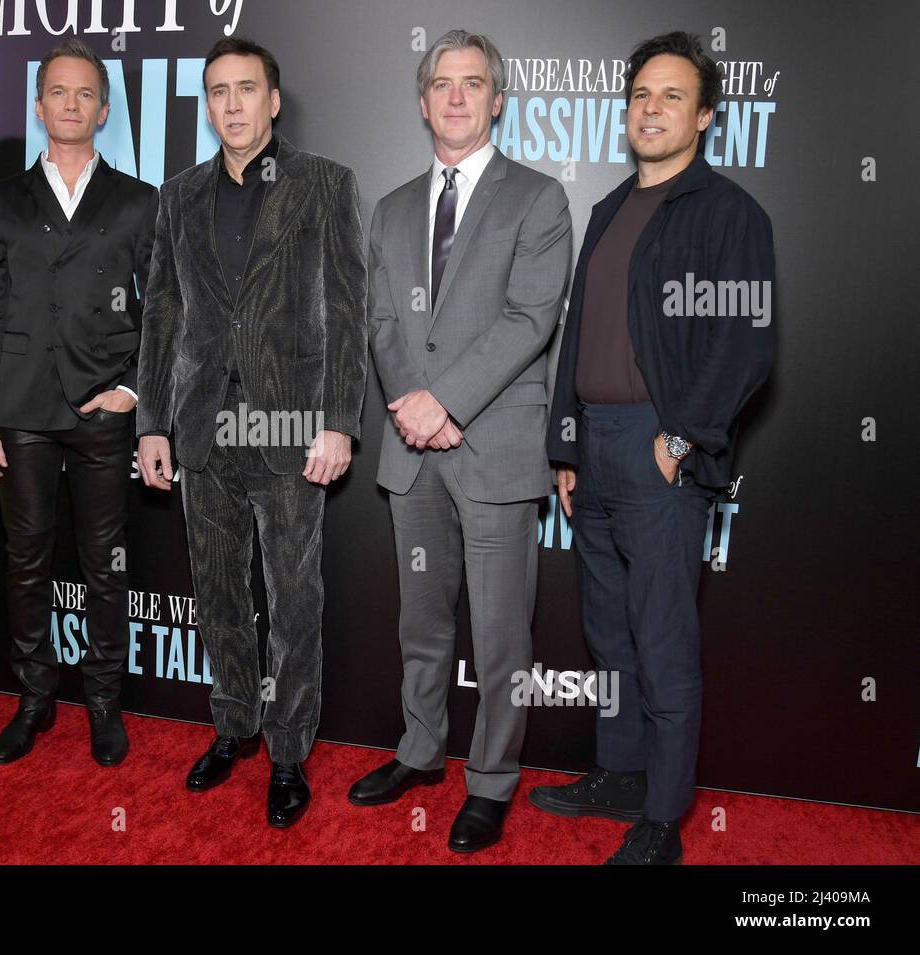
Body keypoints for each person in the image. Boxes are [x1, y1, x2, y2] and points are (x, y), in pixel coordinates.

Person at [531, 31, 776, 864]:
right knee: (609, 635)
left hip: (657, 451)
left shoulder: (729, 213)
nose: (651, 109)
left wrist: (679, 439)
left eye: (672, 96)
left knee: (662, 638)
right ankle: (620, 773)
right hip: (593, 450)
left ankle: (664, 817)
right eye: (641, 95)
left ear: (704, 115)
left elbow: (744, 344)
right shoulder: (606, 209)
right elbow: (578, 338)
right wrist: (565, 439)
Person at [348, 30, 572, 853]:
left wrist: (444, 402)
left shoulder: (538, 199)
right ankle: (419, 750)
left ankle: (491, 781)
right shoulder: (394, 206)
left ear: (498, 98)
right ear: (421, 100)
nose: (455, 97)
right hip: (413, 449)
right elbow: (379, 321)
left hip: (495, 448)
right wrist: (414, 408)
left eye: (472, 83)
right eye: (441, 83)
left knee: (503, 630)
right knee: (422, 621)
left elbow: (530, 319)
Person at [136, 37, 367, 828]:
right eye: (217, 92)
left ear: (274, 99)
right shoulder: (179, 196)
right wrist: (153, 423)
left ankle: (290, 748)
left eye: (245, 89)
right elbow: (162, 313)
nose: (231, 105)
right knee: (219, 590)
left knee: (295, 596)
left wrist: (340, 421)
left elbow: (346, 309)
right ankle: (233, 721)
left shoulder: (323, 184)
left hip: (290, 426)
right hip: (203, 426)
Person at [0, 40, 158, 768]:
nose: (71, 105)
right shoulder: (3, 200)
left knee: (105, 564)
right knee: (25, 560)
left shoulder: (138, 199)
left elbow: (162, 308)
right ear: (39, 106)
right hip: (18, 410)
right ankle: (35, 698)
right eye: (58, 93)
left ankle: (104, 702)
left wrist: (134, 389)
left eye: (85, 94)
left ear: (103, 110)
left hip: (102, 411)